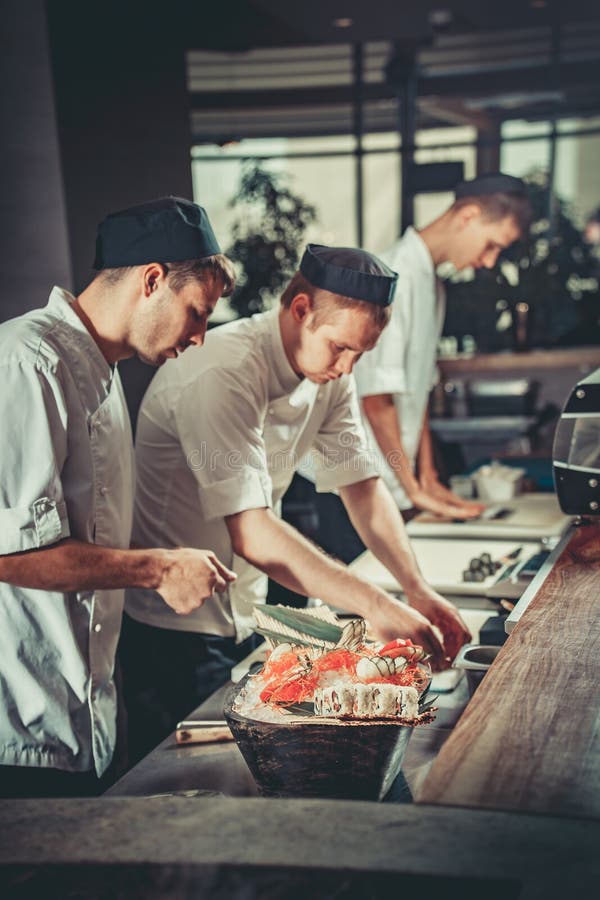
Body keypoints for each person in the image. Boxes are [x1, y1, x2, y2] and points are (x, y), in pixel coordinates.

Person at [121, 243, 472, 761]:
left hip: (246, 607)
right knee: (186, 785)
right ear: (301, 310)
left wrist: (416, 590)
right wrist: (376, 603)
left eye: (361, 354)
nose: (348, 367)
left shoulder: (329, 375)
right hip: (175, 626)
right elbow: (253, 533)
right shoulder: (224, 369)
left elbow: (364, 489)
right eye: (340, 348)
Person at [0, 196, 237, 798]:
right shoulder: (29, 360)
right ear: (151, 280)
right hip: (23, 730)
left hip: (89, 718)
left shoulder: (104, 372)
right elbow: (10, 553)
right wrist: (158, 568)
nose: (200, 336)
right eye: (196, 313)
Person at [354, 172, 532, 520]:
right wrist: (414, 489)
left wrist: (428, 477)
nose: (490, 261)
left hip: (394, 482)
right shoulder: (391, 276)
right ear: (468, 217)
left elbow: (415, 391)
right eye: (492, 245)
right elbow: (376, 399)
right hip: (353, 483)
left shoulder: (432, 285)